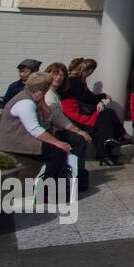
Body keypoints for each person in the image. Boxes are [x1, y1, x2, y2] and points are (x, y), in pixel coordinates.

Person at [0, 73, 73, 201]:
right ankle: (45, 193)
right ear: (42, 89)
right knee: (57, 152)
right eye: (46, 88)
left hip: (23, 137)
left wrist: (42, 103)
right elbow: (35, 129)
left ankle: (58, 191)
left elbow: (48, 118)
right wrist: (57, 143)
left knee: (60, 151)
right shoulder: (25, 102)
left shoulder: (32, 98)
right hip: (14, 141)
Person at [59, 58, 128, 167]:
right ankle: (113, 142)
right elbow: (84, 97)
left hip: (77, 110)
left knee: (105, 119)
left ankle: (108, 151)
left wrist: (99, 101)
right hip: (74, 113)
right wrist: (102, 96)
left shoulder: (78, 80)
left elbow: (88, 96)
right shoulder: (74, 80)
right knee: (104, 119)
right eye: (91, 70)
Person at [43, 62, 92, 190]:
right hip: (48, 133)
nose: (58, 78)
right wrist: (79, 131)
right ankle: (73, 176)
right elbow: (59, 119)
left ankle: (76, 175)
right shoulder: (48, 94)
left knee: (80, 138)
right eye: (55, 74)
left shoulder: (53, 93)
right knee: (79, 140)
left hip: (53, 130)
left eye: (62, 75)